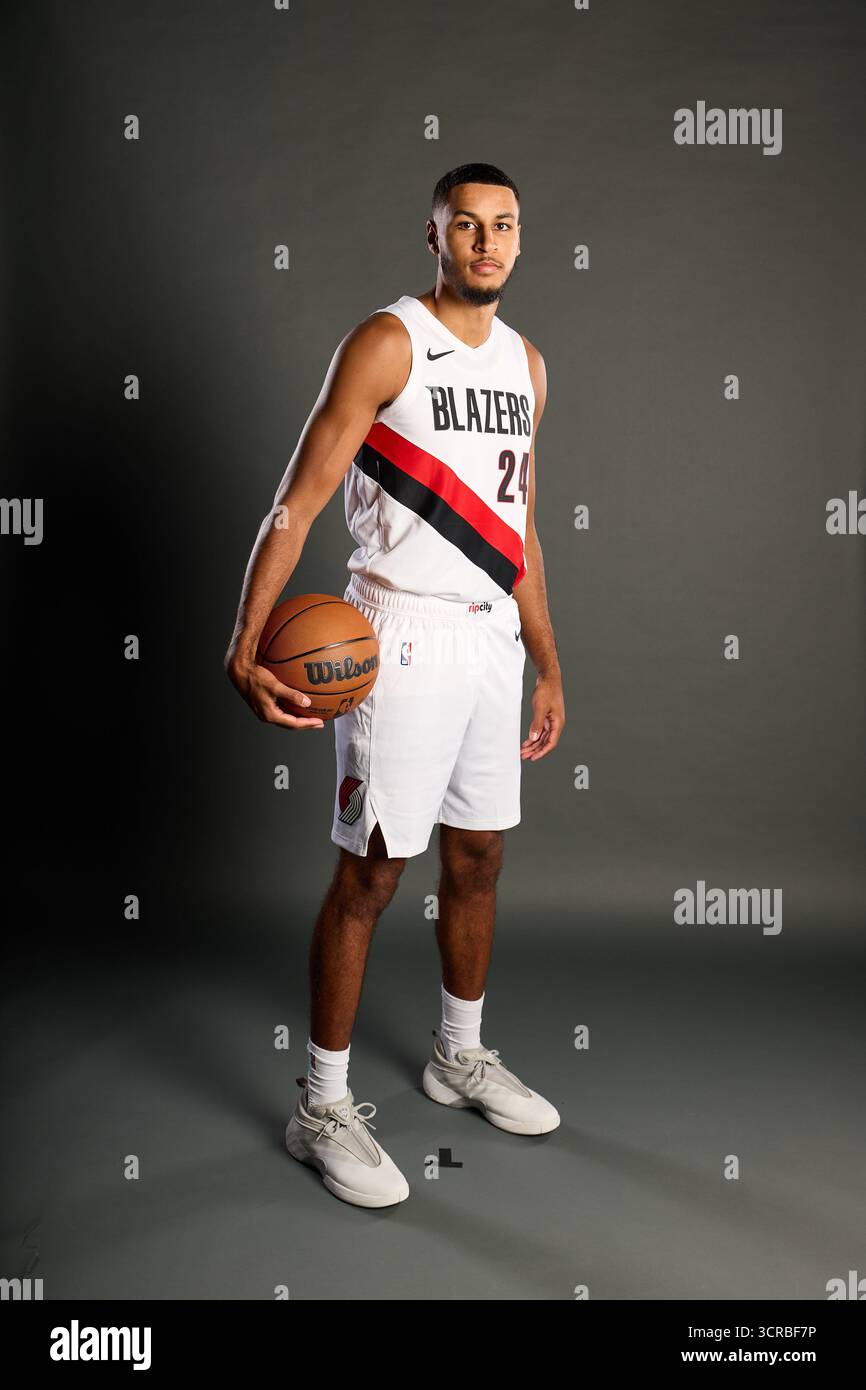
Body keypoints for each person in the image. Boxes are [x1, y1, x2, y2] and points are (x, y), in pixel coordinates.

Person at [225, 162, 565, 1208]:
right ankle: (318, 1104)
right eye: (466, 224)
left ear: (518, 239)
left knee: (478, 859)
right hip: (396, 637)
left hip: (487, 641)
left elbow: (518, 533)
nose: (486, 241)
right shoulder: (386, 341)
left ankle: (456, 1056)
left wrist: (546, 657)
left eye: (503, 225)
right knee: (372, 875)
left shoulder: (528, 365)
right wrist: (243, 640)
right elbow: (300, 493)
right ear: (433, 236)